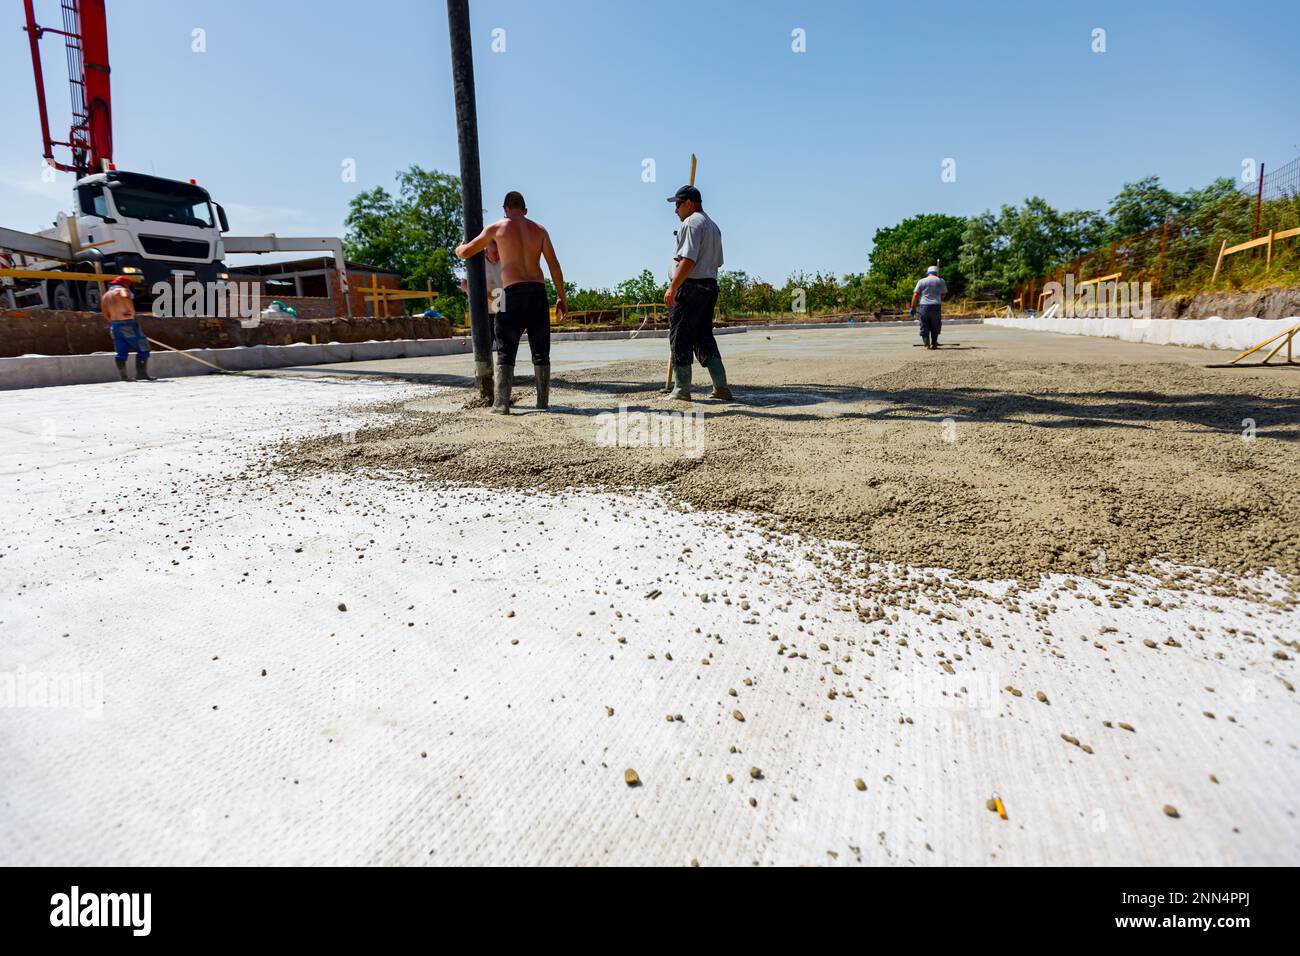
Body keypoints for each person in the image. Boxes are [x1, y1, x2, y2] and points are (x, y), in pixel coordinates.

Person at [455, 192, 566, 414]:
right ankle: (542, 402)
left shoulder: (497, 228)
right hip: (538, 293)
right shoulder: (540, 230)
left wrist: (459, 248)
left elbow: (466, 252)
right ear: (525, 210)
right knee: (541, 350)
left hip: (511, 293)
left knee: (506, 349)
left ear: (505, 209)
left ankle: (501, 404)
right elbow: (553, 264)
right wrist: (562, 296)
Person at [664, 185, 730, 401]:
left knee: (680, 336)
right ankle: (721, 387)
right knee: (703, 337)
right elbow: (717, 262)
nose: (675, 210)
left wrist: (673, 286)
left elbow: (689, 260)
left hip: (690, 287)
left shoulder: (691, 223)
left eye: (678, 205)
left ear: (690, 203)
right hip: (709, 287)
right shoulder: (713, 226)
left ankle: (681, 389)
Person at [102, 276, 157, 381]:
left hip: (114, 326)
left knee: (121, 351)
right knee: (143, 347)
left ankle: (123, 376)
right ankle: (141, 374)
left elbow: (105, 313)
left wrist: (113, 318)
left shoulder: (105, 296)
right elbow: (125, 296)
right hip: (127, 324)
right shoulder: (121, 289)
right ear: (125, 284)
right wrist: (132, 312)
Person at [910, 264, 947, 349]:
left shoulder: (922, 281)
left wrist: (912, 307)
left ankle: (926, 344)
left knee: (924, 324)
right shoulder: (941, 281)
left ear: (928, 273)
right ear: (936, 273)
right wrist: (937, 298)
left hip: (924, 306)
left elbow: (916, 295)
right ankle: (934, 343)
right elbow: (943, 294)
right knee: (935, 324)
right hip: (936, 306)